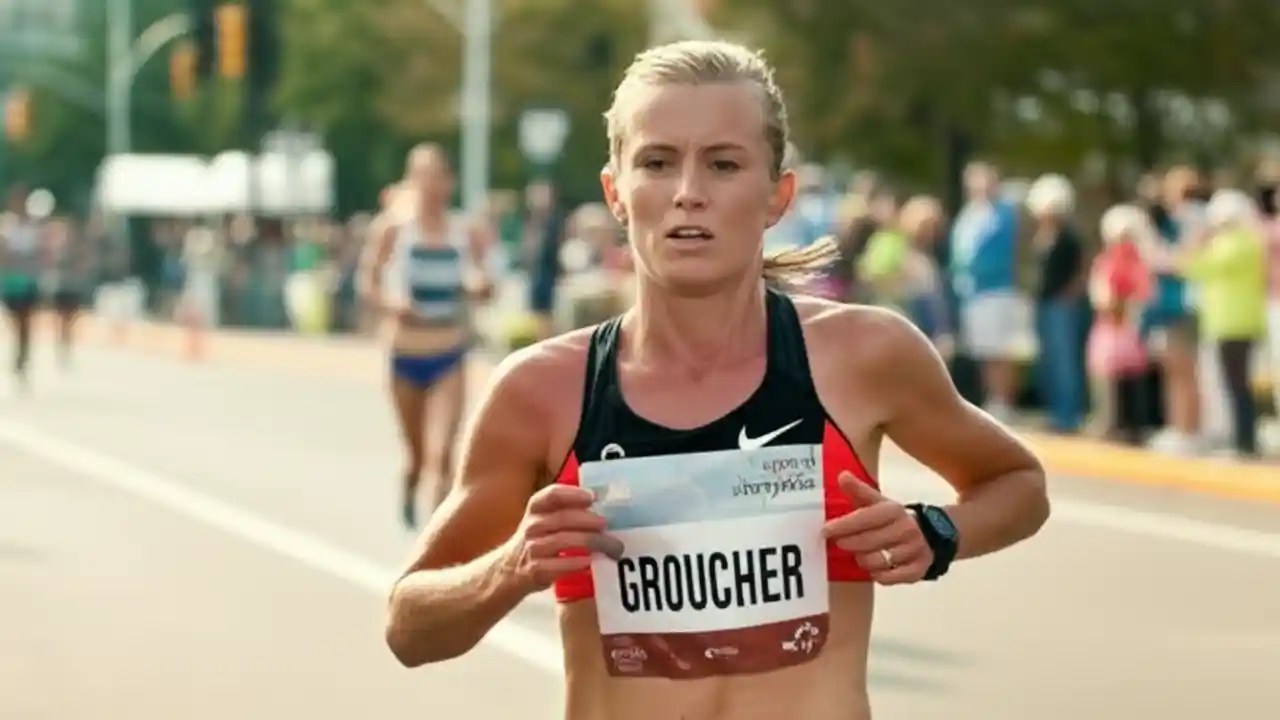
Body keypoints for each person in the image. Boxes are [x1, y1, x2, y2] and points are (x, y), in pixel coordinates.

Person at [384, 40, 1049, 720]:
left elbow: (1019, 484)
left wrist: (936, 532)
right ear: (616, 192)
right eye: (657, 162)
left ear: (777, 195)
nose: (688, 192)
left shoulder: (863, 355)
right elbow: (408, 626)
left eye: (724, 164)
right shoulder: (542, 390)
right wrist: (510, 567)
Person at [360, 144, 494, 529]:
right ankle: (410, 483)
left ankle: (436, 538)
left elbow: (483, 277)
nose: (431, 185)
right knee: (418, 456)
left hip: (448, 350)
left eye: (438, 176)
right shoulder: (392, 230)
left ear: (449, 182)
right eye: (423, 176)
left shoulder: (464, 231)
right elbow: (367, 284)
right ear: (411, 181)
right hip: (405, 351)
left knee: (444, 454)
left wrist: (479, 286)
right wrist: (391, 304)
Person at [0, 186, 42, 390]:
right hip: (11, 282)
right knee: (16, 323)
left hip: (28, 281)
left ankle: (22, 359)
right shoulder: (6, 224)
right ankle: (18, 357)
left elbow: (40, 251)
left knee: (26, 324)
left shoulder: (33, 225)